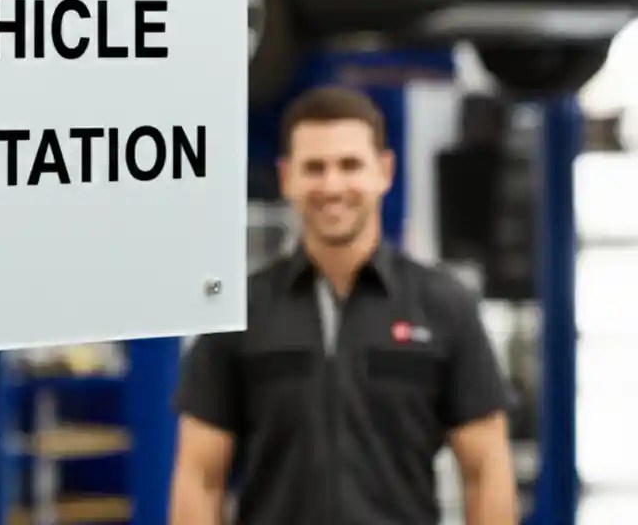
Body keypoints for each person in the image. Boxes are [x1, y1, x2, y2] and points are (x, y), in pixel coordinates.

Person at [169, 86, 517, 525]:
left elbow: (486, 470)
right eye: (314, 168)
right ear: (287, 177)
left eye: (350, 165)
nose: (332, 186)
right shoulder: (239, 312)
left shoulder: (444, 307)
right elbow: (200, 477)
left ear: (384, 171)